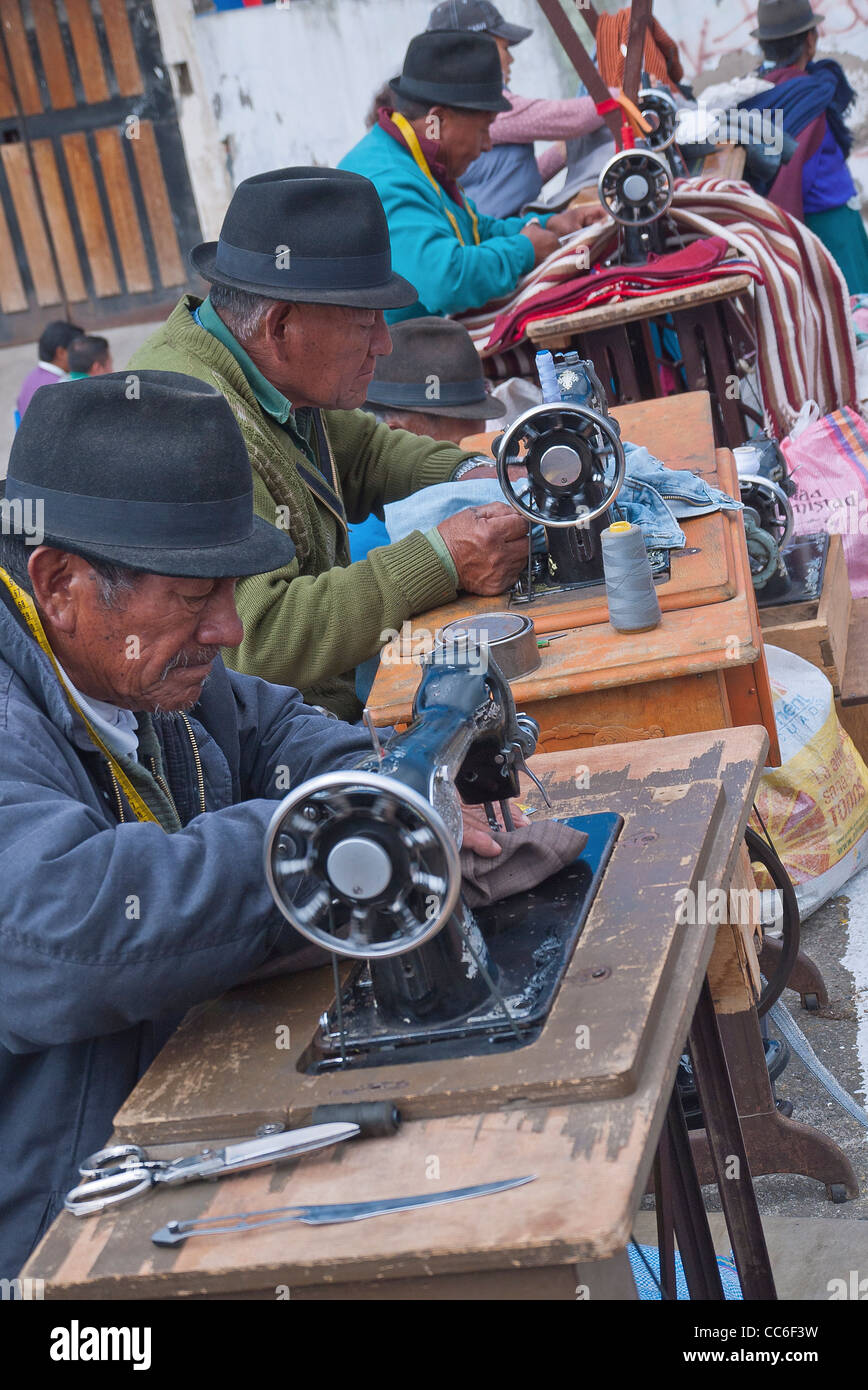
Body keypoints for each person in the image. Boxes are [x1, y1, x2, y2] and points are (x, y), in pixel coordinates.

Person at [0, 372, 512, 1276]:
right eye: (198, 599)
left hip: (154, 1104)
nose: (231, 629)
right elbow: (65, 927)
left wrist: (377, 783)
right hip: (50, 1227)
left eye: (231, 592)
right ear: (59, 583)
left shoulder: (125, 657)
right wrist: (324, 831)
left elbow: (273, 727)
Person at [131, 167, 529, 722]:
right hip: (250, 755)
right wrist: (441, 558)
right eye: (365, 324)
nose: (384, 344)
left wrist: (470, 473)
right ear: (281, 325)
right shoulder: (189, 421)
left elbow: (366, 455)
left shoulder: (273, 374)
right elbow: (258, 638)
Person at [339, 30, 603, 323]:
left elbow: (475, 231)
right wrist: (524, 251)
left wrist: (549, 224)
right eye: (483, 129)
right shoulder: (386, 177)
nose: (487, 144)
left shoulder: (416, 161)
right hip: (388, 363)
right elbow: (445, 280)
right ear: (437, 121)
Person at [425, 0, 611, 218]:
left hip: (504, 223)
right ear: (474, 50)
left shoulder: (454, 102)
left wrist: (563, 152)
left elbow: (508, 182)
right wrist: (626, 96)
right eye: (504, 48)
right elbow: (571, 119)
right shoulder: (471, 105)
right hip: (495, 232)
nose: (511, 59)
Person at [740, 0, 868, 292]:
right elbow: (800, 170)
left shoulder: (756, 95)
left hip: (788, 228)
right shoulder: (813, 96)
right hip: (831, 228)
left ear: (764, 45)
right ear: (810, 40)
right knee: (854, 316)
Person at [16, 320, 83, 418]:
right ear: (61, 353)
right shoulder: (62, 385)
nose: (82, 356)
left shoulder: (31, 376)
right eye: (78, 351)